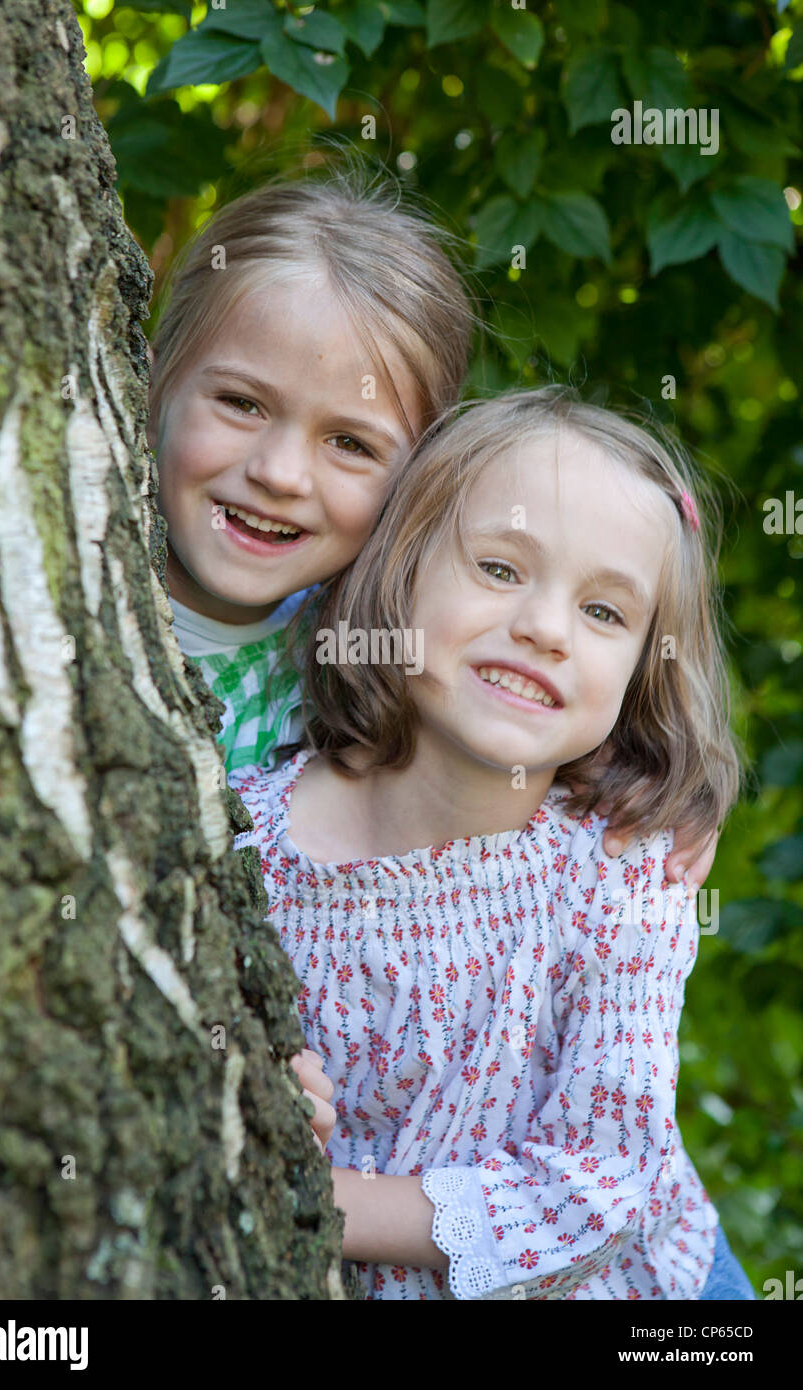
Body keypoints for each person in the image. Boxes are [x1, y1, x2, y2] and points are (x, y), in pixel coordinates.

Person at [230, 384, 756, 1300]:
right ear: (399, 568)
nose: (545, 629)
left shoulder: (621, 873)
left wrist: (312, 1200)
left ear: (641, 673)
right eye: (502, 569)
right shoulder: (241, 841)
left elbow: (593, 1193)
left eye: (604, 614)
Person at [145, 164, 715, 889]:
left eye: (350, 443)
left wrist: (662, 795)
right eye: (241, 403)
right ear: (147, 383)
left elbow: (535, 720)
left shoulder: (372, 659)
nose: (282, 473)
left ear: (414, 481)